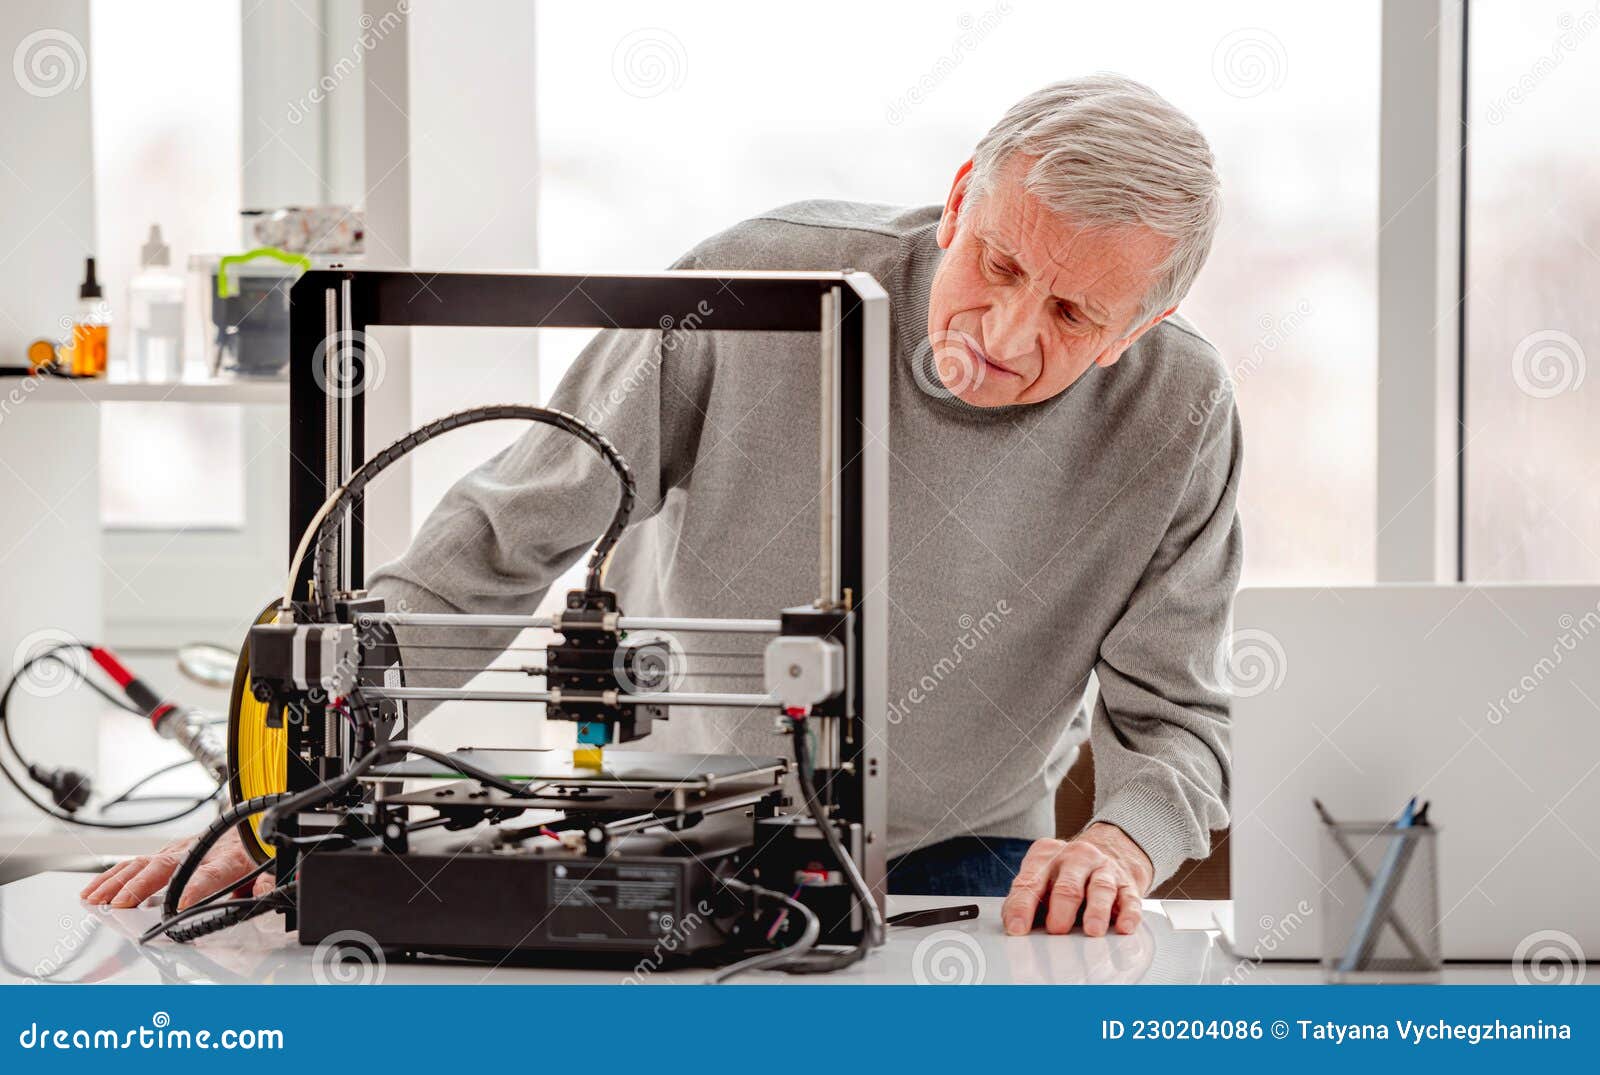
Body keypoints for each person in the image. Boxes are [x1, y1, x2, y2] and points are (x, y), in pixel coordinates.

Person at [84, 74, 1240, 940]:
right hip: (681, 817)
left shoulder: (1179, 415)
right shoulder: (760, 282)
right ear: (954, 202)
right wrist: (285, 795)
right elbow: (505, 535)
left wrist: (1120, 842)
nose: (1005, 336)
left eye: (1075, 317)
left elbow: (1178, 715)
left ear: (1141, 328)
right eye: (996, 266)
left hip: (967, 851)